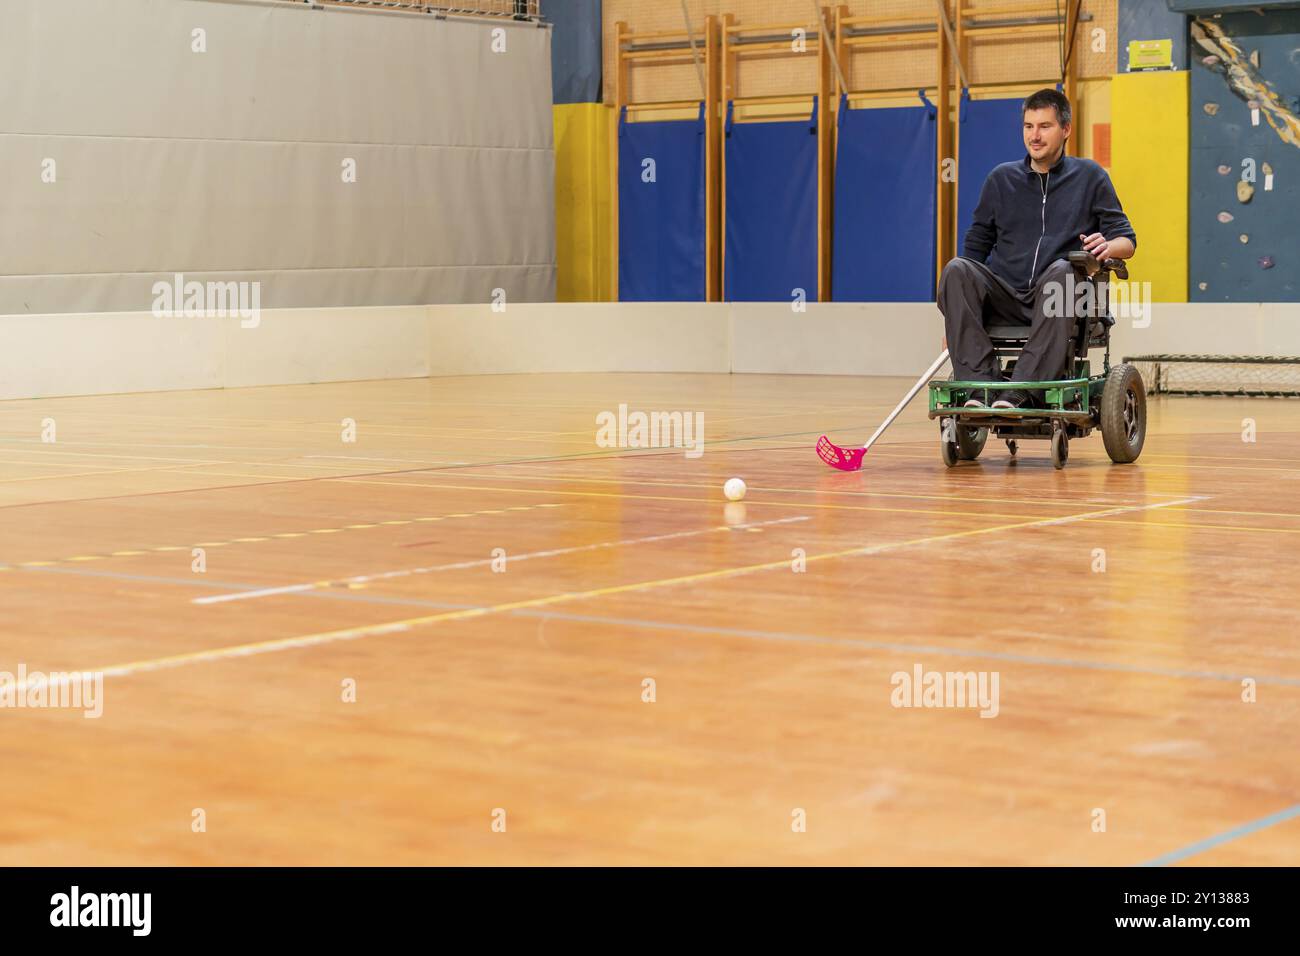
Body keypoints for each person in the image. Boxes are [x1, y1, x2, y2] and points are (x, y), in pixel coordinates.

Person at [939, 88, 1136, 409]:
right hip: (1005, 297)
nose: (1035, 135)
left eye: (1045, 126)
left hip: (1058, 299)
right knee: (957, 268)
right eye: (1029, 126)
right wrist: (955, 320)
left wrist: (1108, 245)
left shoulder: (1091, 177)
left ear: (1066, 130)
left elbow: (1127, 242)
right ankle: (982, 390)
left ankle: (1021, 390)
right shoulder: (1000, 179)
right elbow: (975, 248)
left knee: (1063, 269)